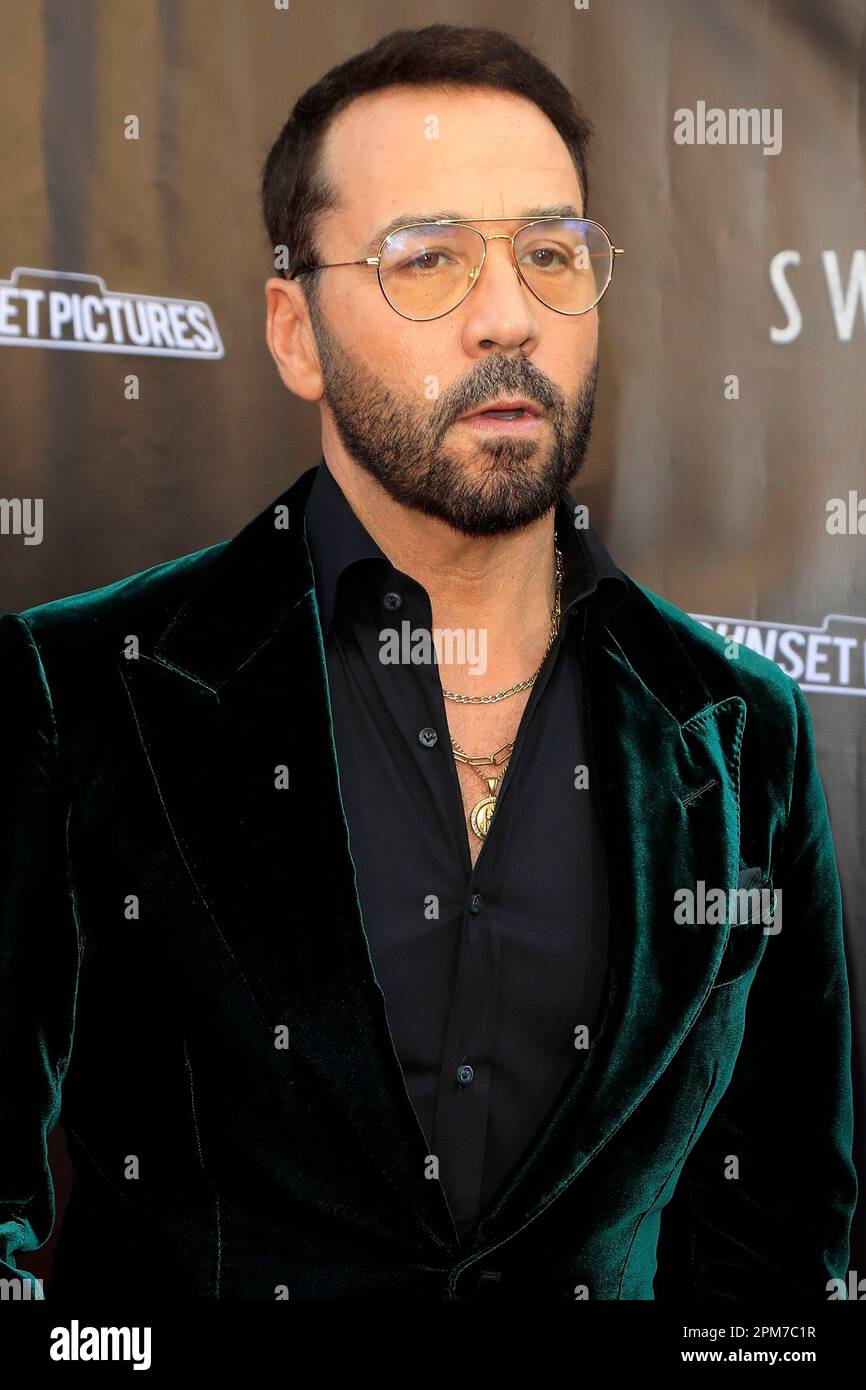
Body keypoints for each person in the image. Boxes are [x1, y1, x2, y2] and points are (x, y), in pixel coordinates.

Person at [0, 23, 856, 1301]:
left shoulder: (743, 733)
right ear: (294, 331)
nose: (507, 316)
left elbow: (781, 1230)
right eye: (430, 262)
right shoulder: (80, 690)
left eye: (549, 255)